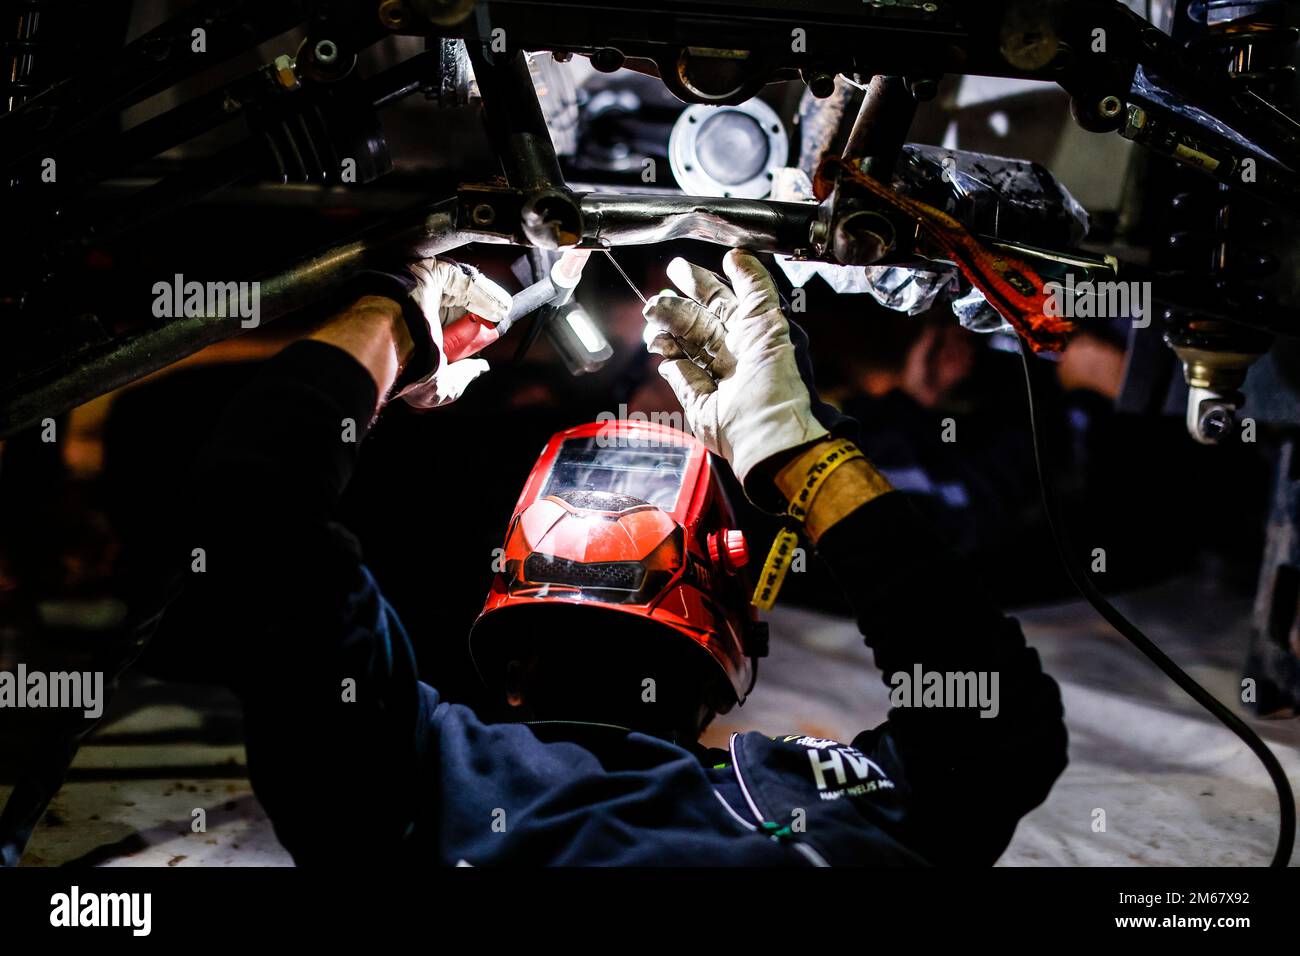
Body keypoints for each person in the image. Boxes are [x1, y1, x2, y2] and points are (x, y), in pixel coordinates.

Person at [138, 249, 1068, 866]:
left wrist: (399, 311)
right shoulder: (812, 811)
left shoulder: (403, 780)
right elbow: (1001, 719)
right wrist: (799, 454)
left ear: (509, 642)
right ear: (732, 637)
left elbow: (253, 496)